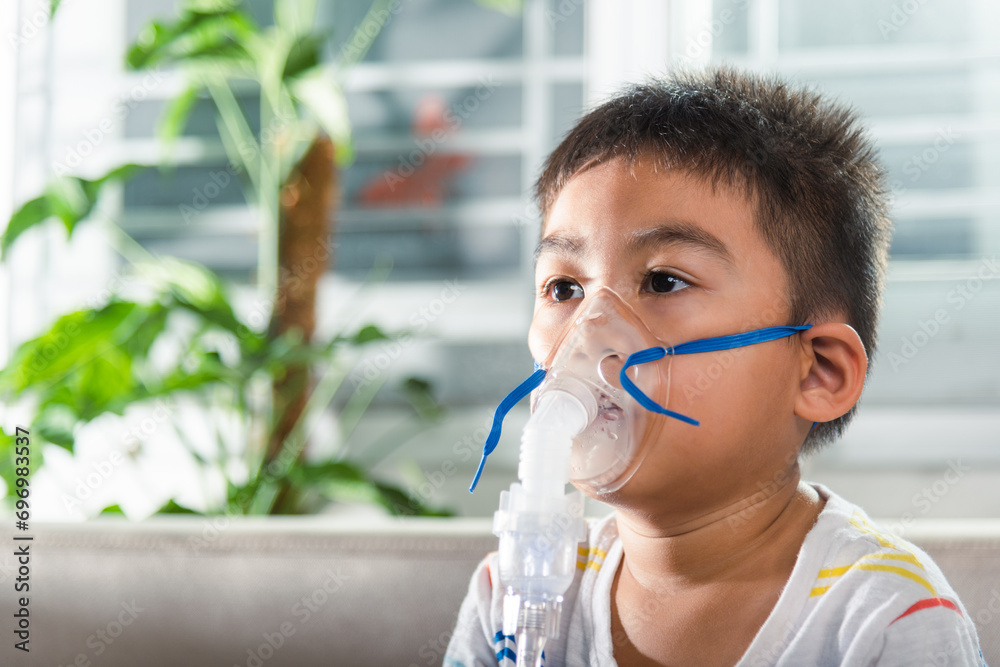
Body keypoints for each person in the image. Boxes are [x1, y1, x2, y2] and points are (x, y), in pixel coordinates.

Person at [442, 67, 986, 667]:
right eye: (564, 288)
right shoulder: (509, 596)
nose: (588, 332)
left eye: (663, 281)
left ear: (817, 372)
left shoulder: (881, 618)